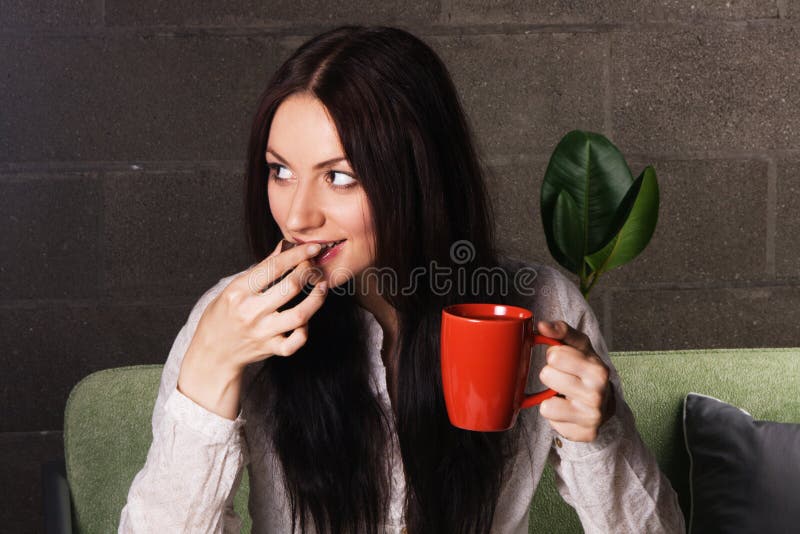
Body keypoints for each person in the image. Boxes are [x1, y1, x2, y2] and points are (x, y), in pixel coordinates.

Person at [119, 26, 684, 534]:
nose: (296, 216)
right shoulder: (234, 316)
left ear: (417, 175)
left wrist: (600, 435)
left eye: (339, 177)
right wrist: (208, 372)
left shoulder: (540, 306)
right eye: (280, 171)